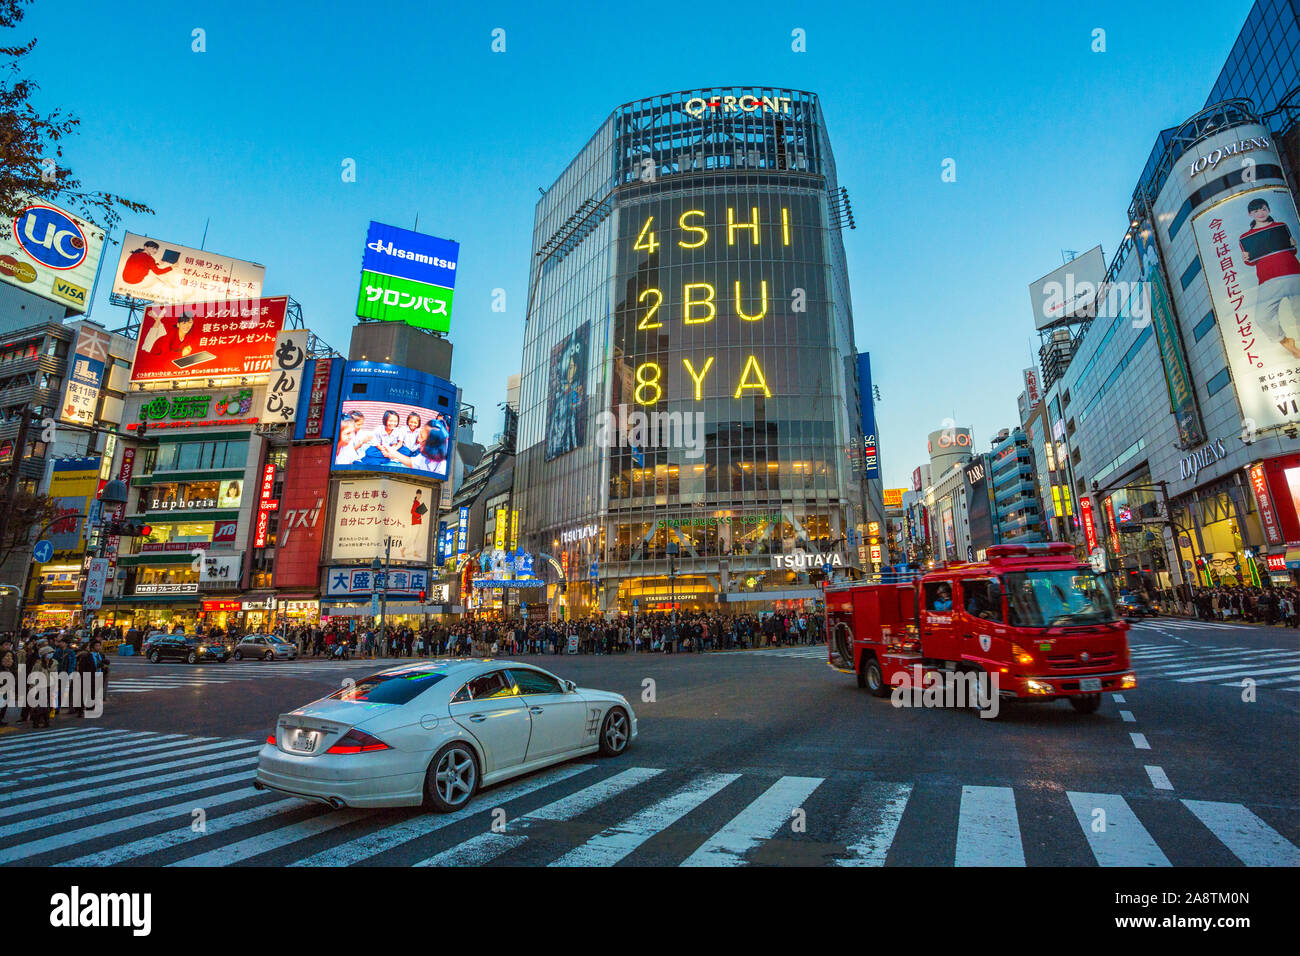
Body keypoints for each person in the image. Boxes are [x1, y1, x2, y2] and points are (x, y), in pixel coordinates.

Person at [1239, 197, 1300, 359]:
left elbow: (1290, 251)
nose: (1260, 213)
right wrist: (1246, 259)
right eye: (1256, 211)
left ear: (1269, 210)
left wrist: (1293, 246)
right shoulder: (1245, 237)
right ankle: (1285, 341)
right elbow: (1252, 262)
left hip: (1294, 272)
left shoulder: (1281, 226)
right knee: (1262, 316)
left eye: (1263, 209)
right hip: (1268, 279)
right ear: (1250, 214)